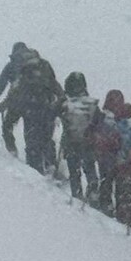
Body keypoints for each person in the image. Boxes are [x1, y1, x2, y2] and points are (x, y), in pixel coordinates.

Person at [7, 50, 63, 173]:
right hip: (47, 109)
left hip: (29, 111)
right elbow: (56, 87)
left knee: (32, 140)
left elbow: (17, 92)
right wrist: (60, 105)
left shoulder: (24, 72)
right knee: (47, 138)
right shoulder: (45, 68)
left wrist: (9, 107)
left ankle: (35, 170)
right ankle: (51, 166)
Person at [0, 41, 34, 156]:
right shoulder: (39, 64)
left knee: (7, 125)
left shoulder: (12, 65)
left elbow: (0, 86)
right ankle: (44, 162)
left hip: (17, 101)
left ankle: (12, 152)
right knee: (32, 132)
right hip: (37, 103)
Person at [59, 72, 99, 200]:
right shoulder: (92, 104)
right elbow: (99, 122)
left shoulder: (66, 104)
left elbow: (54, 114)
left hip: (71, 142)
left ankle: (77, 195)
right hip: (88, 143)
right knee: (89, 168)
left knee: (74, 171)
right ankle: (93, 192)